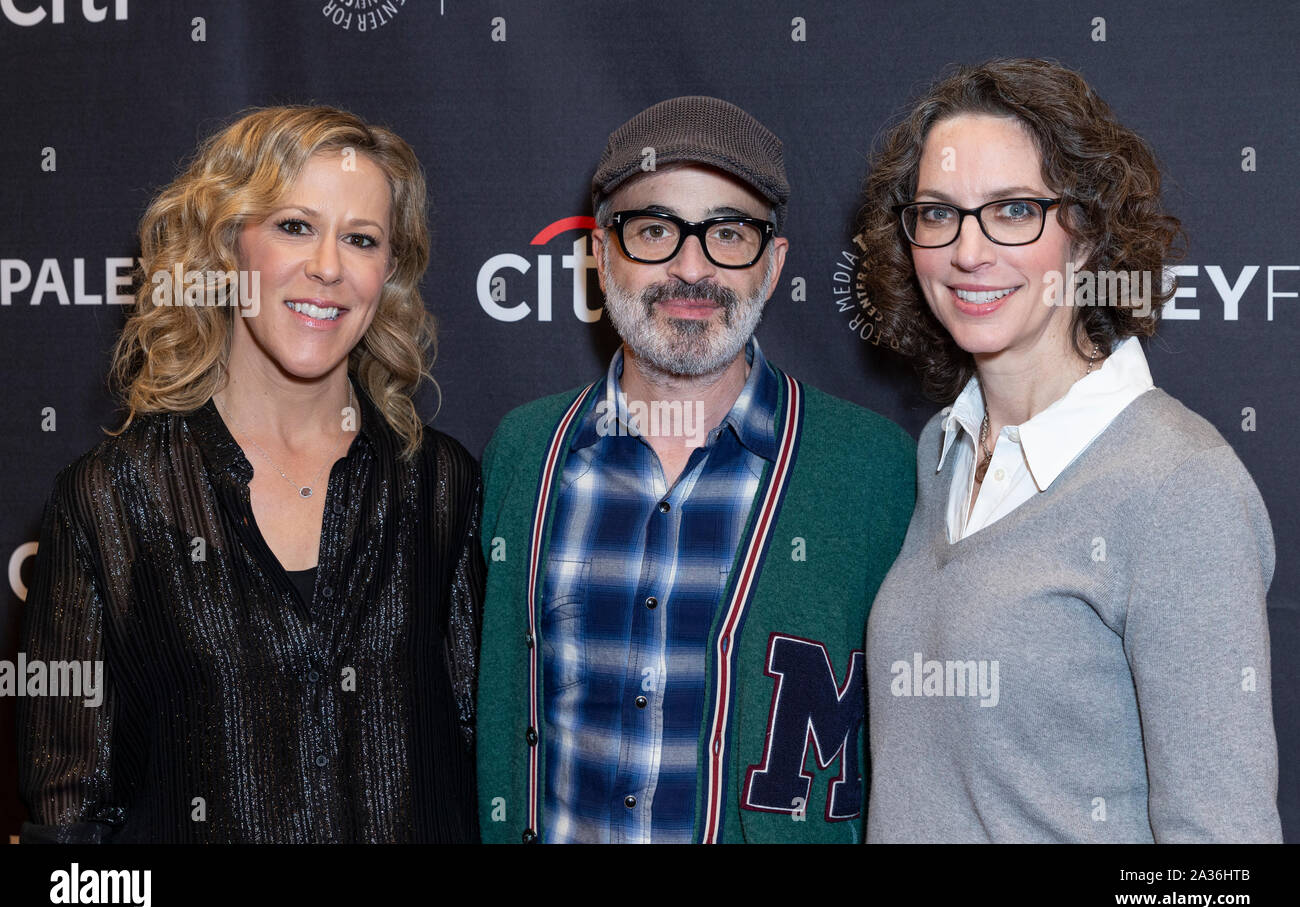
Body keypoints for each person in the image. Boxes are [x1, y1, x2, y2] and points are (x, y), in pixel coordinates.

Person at [18, 105, 483, 843]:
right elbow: (68, 834)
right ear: (229, 244)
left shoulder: (439, 485)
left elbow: (479, 764)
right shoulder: (110, 500)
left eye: (361, 239)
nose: (328, 266)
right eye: (295, 226)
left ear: (386, 273)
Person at [857, 59, 1281, 842]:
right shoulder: (941, 453)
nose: (968, 251)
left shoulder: (1179, 485)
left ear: (1085, 233)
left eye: (1013, 210)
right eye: (939, 213)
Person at [476, 95, 915, 843]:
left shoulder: (876, 469)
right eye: (653, 229)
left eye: (728, 233)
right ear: (601, 254)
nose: (691, 267)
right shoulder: (524, 451)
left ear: (772, 266)